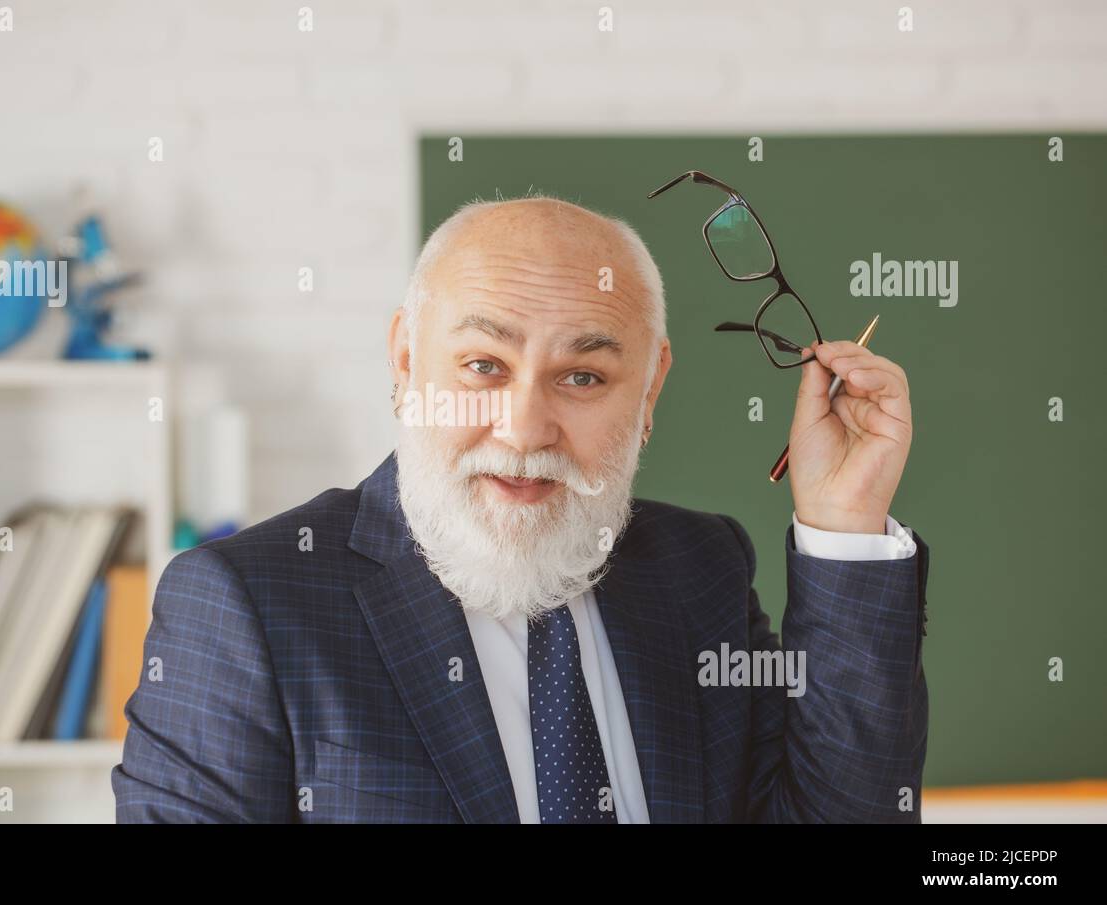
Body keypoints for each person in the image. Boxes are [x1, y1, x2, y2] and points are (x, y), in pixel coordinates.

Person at [112, 195, 928, 823]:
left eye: (583, 378)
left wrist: (843, 520)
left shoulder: (700, 572)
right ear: (405, 361)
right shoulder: (243, 604)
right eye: (482, 365)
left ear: (651, 392)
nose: (525, 429)